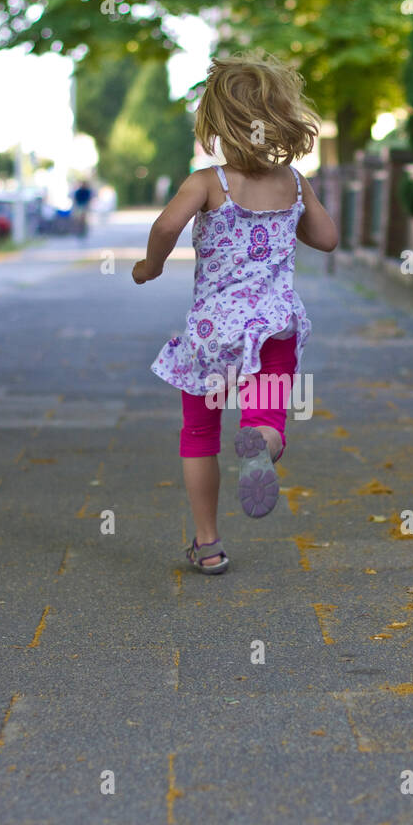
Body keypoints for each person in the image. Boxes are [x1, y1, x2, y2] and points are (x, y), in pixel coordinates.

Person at [132, 52, 337, 572]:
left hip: (211, 332)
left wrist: (149, 266)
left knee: (198, 433)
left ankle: (209, 544)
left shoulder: (207, 183)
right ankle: (261, 444)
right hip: (274, 328)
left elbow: (163, 228)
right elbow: (328, 239)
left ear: (216, 122)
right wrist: (299, 205)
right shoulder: (292, 182)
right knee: (266, 414)